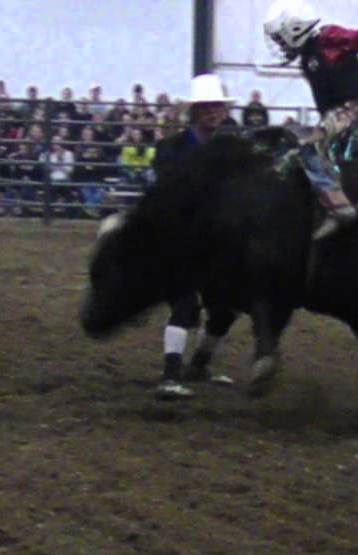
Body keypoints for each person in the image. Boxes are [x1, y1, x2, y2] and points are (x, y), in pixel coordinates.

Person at [263, 0, 358, 241]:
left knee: (309, 149)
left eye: (280, 38)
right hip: (340, 114)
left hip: (350, 112)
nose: (280, 45)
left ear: (294, 29)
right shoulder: (308, 56)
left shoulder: (327, 38)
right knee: (302, 156)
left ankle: (339, 208)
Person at [146, 73, 238, 399]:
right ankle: (170, 374)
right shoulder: (170, 149)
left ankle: (198, 365)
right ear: (195, 112)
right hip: (176, 240)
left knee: (224, 308)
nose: (214, 112)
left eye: (217, 107)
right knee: (185, 304)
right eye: (207, 107)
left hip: (213, 243)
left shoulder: (229, 151)